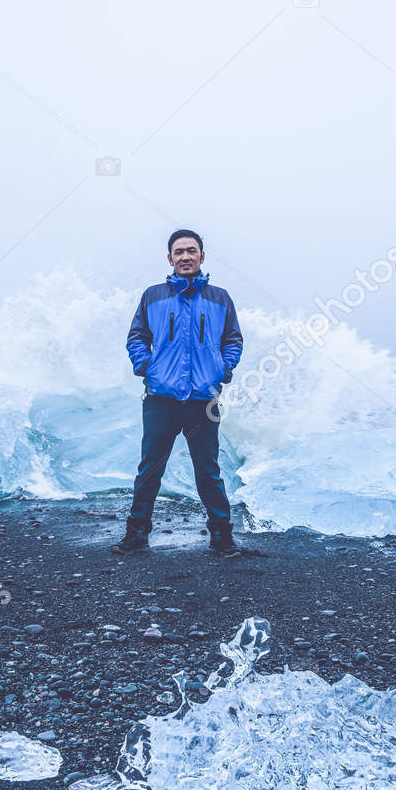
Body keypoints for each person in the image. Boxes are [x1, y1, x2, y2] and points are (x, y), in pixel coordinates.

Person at [113, 229, 244, 556]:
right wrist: (146, 366)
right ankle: (136, 536)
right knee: (150, 469)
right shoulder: (153, 295)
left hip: (204, 400)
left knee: (208, 471)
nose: (185, 256)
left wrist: (223, 370)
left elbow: (233, 341)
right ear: (170, 258)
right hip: (161, 398)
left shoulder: (220, 298)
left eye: (192, 251)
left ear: (202, 256)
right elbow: (137, 337)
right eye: (179, 252)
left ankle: (222, 538)